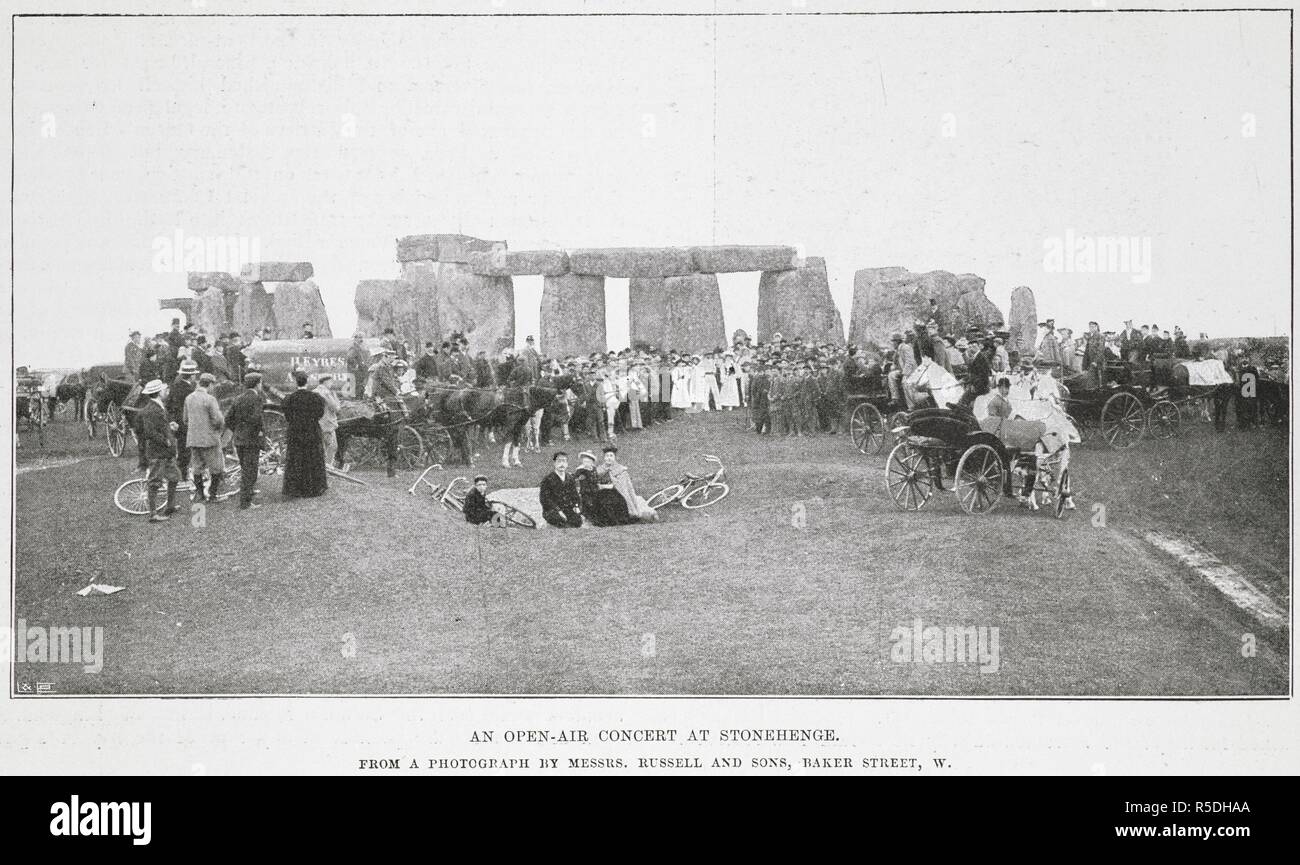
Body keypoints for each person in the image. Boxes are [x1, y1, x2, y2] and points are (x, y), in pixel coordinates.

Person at [137, 379, 181, 522]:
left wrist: (170, 426)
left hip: (166, 452)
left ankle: (170, 506)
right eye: (164, 390)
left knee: (174, 477)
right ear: (159, 392)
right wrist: (165, 440)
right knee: (155, 481)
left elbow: (159, 426)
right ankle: (153, 514)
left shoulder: (159, 406)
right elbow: (150, 432)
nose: (167, 392)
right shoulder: (150, 410)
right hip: (158, 452)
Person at [281, 370, 328, 498]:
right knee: (313, 458)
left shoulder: (289, 399)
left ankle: (295, 489)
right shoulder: (316, 398)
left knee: (296, 459)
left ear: (296, 383)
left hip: (295, 432)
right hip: (312, 431)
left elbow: (287, 416)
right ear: (307, 382)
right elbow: (320, 414)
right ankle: (314, 488)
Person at [184, 372, 227, 503]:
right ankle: (212, 495)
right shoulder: (210, 399)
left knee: (197, 468)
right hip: (209, 440)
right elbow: (218, 419)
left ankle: (201, 495)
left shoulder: (189, 398)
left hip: (193, 439)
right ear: (210, 384)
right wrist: (218, 429)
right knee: (217, 468)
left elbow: (185, 419)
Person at [226, 373, 266, 510]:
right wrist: (258, 433)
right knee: (250, 470)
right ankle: (245, 502)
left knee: (245, 468)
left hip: (239, 439)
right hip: (251, 440)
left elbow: (228, 418)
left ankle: (248, 493)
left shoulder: (238, 398)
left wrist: (237, 430)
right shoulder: (256, 398)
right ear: (257, 383)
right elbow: (257, 419)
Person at [601, 446, 657, 523]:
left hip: (618, 494)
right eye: (607, 456)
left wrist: (610, 486)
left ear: (615, 457)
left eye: (611, 456)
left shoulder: (621, 470)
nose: (609, 458)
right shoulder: (600, 469)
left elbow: (623, 487)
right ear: (604, 458)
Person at [167, 359, 199, 484]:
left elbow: (168, 405)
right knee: (186, 451)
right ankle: (184, 476)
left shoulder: (175, 386)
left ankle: (183, 474)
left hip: (177, 422)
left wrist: (172, 420)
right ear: (191, 376)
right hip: (187, 422)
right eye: (194, 374)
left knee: (182, 449)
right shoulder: (189, 390)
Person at [539, 451, 583, 528]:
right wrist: (558, 511)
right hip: (552, 509)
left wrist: (576, 506)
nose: (562, 464)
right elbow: (545, 499)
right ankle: (547, 524)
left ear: (567, 464)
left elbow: (575, 495)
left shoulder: (570, 478)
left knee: (577, 521)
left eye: (564, 461)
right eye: (559, 461)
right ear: (554, 463)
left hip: (567, 508)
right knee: (560, 521)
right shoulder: (548, 479)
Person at [315, 373, 342, 469]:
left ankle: (319, 468)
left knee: (319, 448)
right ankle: (328, 468)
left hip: (316, 424)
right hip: (327, 424)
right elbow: (336, 408)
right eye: (331, 381)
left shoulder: (314, 391)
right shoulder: (326, 392)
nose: (332, 383)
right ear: (326, 381)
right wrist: (335, 397)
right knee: (332, 446)